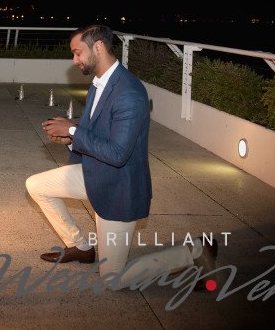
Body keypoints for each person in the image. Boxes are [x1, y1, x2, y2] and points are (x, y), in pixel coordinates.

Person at [26, 24, 217, 290]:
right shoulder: (100, 83)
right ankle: (82, 247)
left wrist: (73, 129)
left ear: (99, 47)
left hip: (118, 187)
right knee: (36, 185)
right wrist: (71, 139)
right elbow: (93, 131)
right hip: (94, 172)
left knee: (113, 280)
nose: (74, 60)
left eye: (77, 53)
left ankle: (195, 251)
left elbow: (117, 154)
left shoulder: (129, 93)